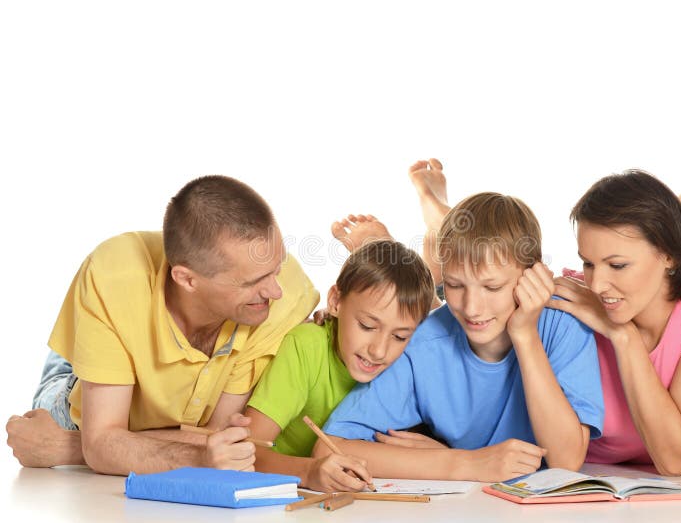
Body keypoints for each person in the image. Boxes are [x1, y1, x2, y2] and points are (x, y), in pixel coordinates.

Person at [5, 175, 319, 475]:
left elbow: (223, 439)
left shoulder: (285, 293)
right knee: (49, 413)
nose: (275, 291)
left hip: (128, 418)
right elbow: (102, 442)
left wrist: (70, 448)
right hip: (80, 406)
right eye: (253, 282)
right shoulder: (113, 276)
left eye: (276, 268)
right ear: (186, 279)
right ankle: (77, 346)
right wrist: (95, 443)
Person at [314, 191, 605, 482]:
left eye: (492, 288)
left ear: (534, 275)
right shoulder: (425, 344)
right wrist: (462, 463)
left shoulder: (563, 325)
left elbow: (566, 460)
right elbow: (328, 449)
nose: (471, 308)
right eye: (454, 285)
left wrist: (525, 335)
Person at [548, 162, 681, 476]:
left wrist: (623, 335)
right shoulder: (575, 298)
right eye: (588, 263)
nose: (597, 285)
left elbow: (675, 460)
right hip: (670, 295)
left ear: (669, 255)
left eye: (617, 265)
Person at [244, 239, 434, 492]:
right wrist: (308, 472)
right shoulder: (307, 347)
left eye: (399, 336)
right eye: (367, 326)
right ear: (335, 301)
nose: (379, 350)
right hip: (280, 493)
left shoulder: (408, 365)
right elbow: (247, 450)